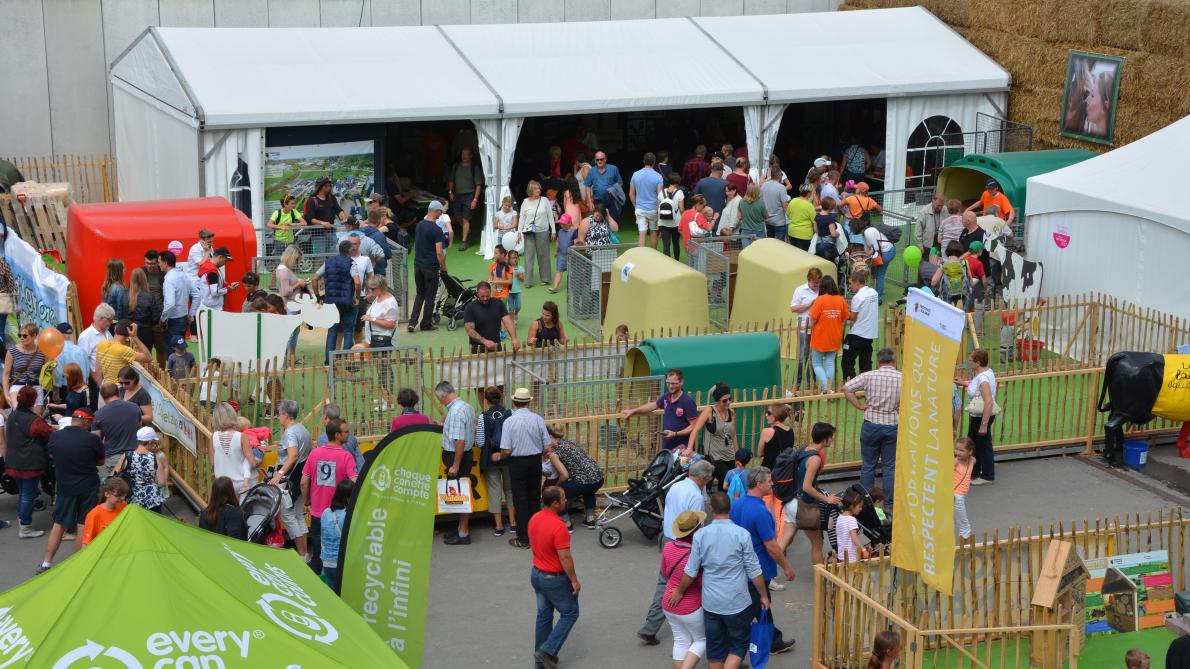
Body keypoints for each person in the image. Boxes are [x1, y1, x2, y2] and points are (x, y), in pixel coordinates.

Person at [669, 492, 766, 669]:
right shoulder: (742, 534)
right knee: (737, 646)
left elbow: (690, 571)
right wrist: (764, 595)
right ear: (729, 508)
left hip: (711, 602)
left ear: (711, 509)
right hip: (737, 601)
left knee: (715, 650)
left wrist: (680, 591)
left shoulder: (700, 536)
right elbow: (754, 570)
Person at [638, 459, 713, 646]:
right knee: (688, 582)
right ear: (703, 478)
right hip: (684, 545)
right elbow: (696, 525)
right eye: (709, 478)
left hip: (669, 540)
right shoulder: (695, 497)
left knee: (665, 582)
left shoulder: (677, 486)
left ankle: (651, 625)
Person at [731, 467, 796, 655]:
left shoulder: (737, 504)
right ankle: (734, 648)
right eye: (769, 481)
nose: (772, 483)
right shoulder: (761, 511)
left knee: (760, 604)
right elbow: (772, 546)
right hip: (758, 568)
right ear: (759, 484)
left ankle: (774, 640)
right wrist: (787, 567)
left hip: (739, 565)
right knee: (755, 606)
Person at [528, 485, 580, 669]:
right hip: (553, 579)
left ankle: (540, 661)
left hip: (536, 574)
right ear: (556, 503)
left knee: (544, 615)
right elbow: (565, 557)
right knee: (571, 612)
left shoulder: (535, 517)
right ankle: (547, 651)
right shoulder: (559, 526)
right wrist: (574, 579)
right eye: (564, 498)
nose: (566, 500)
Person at [843, 347, 902, 513]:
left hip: (871, 423)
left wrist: (859, 405)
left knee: (868, 465)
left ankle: (866, 502)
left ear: (878, 361)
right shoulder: (902, 377)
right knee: (889, 466)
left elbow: (846, 388)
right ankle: (888, 504)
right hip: (892, 424)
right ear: (894, 360)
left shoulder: (868, 375)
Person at [496, 386, 553, 550]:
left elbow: (506, 450)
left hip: (517, 463)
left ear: (514, 402)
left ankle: (523, 538)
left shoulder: (509, 422)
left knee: (520, 500)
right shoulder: (537, 419)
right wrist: (540, 456)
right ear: (528, 402)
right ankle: (537, 536)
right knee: (534, 498)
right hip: (534, 461)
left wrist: (499, 456)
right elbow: (548, 446)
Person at [778, 422, 842, 565]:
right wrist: (827, 499)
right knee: (818, 543)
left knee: (784, 541)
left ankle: (765, 574)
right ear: (825, 439)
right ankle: (820, 581)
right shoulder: (815, 459)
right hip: (803, 506)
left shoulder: (805, 449)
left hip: (790, 502)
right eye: (831, 437)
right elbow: (807, 487)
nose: (832, 440)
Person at [302, 418, 358, 572]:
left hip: (317, 513)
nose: (349, 434)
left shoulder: (315, 453)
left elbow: (304, 482)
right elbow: (354, 483)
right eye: (346, 432)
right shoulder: (346, 457)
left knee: (318, 553)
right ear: (337, 435)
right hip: (337, 515)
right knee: (337, 554)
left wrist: (307, 501)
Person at [661, 509, 707, 669]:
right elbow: (700, 582)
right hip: (690, 607)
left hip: (668, 603)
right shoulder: (695, 553)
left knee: (681, 640)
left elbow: (665, 572)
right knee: (701, 640)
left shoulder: (667, 547)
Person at [436, 381, 478, 545]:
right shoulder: (466, 407)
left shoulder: (454, 413)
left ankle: (463, 532)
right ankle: (462, 528)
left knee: (460, 495)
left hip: (457, 456)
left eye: (440, 399)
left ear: (444, 396)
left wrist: (455, 464)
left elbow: (459, 441)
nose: (440, 402)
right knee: (462, 493)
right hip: (465, 454)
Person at [270, 399, 311, 560]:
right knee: (298, 515)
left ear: (286, 415)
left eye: (279, 414)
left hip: (290, 480)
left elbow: (293, 455)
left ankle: (301, 553)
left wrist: (280, 473)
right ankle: (305, 554)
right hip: (301, 477)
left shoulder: (290, 432)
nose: (278, 418)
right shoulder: (303, 429)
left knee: (288, 515)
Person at [622, 368, 698, 452]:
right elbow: (653, 405)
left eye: (673, 383)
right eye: (668, 383)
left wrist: (675, 434)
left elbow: (694, 426)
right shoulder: (666, 397)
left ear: (681, 382)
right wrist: (633, 411)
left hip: (682, 448)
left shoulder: (687, 402)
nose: (670, 386)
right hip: (667, 446)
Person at [311, 239, 361, 362]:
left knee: (332, 331)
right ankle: (347, 360)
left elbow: (315, 278)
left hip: (330, 301)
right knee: (348, 330)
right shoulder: (351, 263)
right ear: (350, 250)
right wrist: (358, 297)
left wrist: (318, 296)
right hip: (347, 302)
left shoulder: (328, 262)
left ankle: (329, 361)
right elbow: (357, 282)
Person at [477, 386, 514, 536]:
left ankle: (499, 526)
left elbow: (480, 442)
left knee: (494, 491)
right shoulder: (509, 414)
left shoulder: (483, 417)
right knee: (510, 490)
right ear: (502, 398)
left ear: (486, 400)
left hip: (490, 459)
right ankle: (513, 523)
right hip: (508, 457)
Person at [549, 427, 604, 528]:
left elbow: (564, 475)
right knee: (589, 490)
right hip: (599, 478)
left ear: (550, 437)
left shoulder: (554, 453)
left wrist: (556, 486)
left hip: (583, 481)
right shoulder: (569, 442)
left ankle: (566, 524)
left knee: (556, 494)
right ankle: (590, 519)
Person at [686, 382, 736, 490]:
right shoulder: (709, 411)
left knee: (726, 486)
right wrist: (689, 449)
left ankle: (722, 504)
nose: (728, 402)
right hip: (715, 457)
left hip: (730, 455)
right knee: (729, 480)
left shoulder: (731, 412)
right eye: (725, 400)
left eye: (729, 399)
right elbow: (695, 430)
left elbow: (733, 435)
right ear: (717, 401)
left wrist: (737, 453)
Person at [409, 201, 449, 332]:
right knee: (430, 296)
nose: (441, 214)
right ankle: (425, 324)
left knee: (420, 294)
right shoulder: (437, 230)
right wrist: (443, 267)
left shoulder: (419, 225)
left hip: (418, 265)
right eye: (440, 211)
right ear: (435, 211)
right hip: (430, 267)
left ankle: (412, 322)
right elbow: (439, 252)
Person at [960, 348, 998, 486]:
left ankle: (987, 475)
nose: (968, 363)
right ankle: (974, 472)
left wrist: (984, 424)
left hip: (980, 417)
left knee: (983, 445)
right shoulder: (987, 372)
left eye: (970, 360)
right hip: (980, 416)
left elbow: (988, 401)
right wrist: (963, 383)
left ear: (978, 362)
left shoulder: (983, 378)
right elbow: (976, 388)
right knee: (975, 445)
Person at [807, 275, 849, 393]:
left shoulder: (819, 300)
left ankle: (826, 387)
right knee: (830, 363)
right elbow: (845, 317)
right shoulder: (841, 299)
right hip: (834, 337)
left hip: (820, 337)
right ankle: (828, 387)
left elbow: (812, 319)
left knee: (816, 363)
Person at [112, 426, 168, 512]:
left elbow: (113, 475)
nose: (154, 445)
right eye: (153, 443)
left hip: (132, 499)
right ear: (149, 442)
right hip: (152, 500)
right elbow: (162, 482)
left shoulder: (127, 456)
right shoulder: (154, 458)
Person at [93, 382, 140, 478]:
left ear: (102, 396)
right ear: (118, 392)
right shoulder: (135, 408)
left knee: (115, 489)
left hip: (113, 457)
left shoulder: (99, 414)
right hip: (135, 455)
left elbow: (95, 439)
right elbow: (139, 429)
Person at [210, 401, 258, 497]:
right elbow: (252, 463)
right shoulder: (242, 436)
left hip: (223, 483)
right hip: (243, 482)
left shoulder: (213, 437)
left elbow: (212, 462)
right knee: (246, 510)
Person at [519, 180, 557, 289]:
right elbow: (522, 217)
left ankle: (545, 279)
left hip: (543, 231)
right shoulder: (525, 202)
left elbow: (550, 216)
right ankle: (528, 281)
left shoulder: (544, 200)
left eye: (539, 188)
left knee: (543, 255)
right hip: (529, 232)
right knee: (528, 256)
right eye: (536, 189)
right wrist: (518, 232)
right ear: (530, 190)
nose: (538, 190)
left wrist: (553, 231)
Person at [842, 269, 880, 379]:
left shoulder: (857, 297)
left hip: (857, 334)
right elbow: (865, 308)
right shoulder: (874, 293)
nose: (850, 286)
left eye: (850, 283)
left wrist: (843, 312)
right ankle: (865, 386)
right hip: (869, 335)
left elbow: (852, 317)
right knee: (866, 362)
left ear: (857, 282)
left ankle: (853, 385)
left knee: (847, 362)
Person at [463, 282, 519, 354]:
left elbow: (508, 321)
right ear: (477, 293)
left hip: (496, 345)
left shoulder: (498, 304)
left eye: (487, 296)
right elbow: (470, 330)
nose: (485, 298)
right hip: (477, 348)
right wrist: (484, 341)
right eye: (482, 296)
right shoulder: (470, 308)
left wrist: (514, 338)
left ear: (490, 292)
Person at [789, 267, 822, 389]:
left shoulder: (822, 290)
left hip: (818, 329)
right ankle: (796, 384)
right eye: (815, 283)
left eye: (818, 282)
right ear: (809, 280)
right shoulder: (800, 290)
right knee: (803, 357)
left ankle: (811, 383)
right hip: (804, 328)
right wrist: (810, 304)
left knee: (815, 357)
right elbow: (793, 308)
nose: (817, 285)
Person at [446, 147, 484, 251]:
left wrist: (475, 199)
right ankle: (469, 232)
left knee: (465, 218)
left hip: (469, 195)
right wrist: (450, 192)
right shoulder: (456, 166)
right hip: (458, 195)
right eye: (463, 154)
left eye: (466, 154)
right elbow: (451, 180)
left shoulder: (474, 167)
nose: (464, 156)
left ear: (471, 155)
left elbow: (478, 185)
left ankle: (464, 241)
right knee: (458, 218)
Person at [5, 322, 47, 412]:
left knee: (35, 417)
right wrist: (6, 393)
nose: (21, 338)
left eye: (24, 336)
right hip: (18, 385)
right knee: (19, 412)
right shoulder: (12, 351)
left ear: (34, 336)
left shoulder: (42, 352)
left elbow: (47, 372)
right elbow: (6, 374)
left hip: (35, 385)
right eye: (19, 335)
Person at [319, 479, 353, 587]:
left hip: (327, 562)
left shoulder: (326, 512)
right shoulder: (348, 515)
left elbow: (323, 538)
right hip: (342, 563)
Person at [95, 321, 150, 387]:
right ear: (128, 336)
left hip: (105, 387)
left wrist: (102, 388)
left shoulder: (101, 344)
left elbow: (98, 371)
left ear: (115, 329)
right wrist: (135, 337)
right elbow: (148, 358)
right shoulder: (124, 350)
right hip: (119, 389)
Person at [158, 250, 195, 348]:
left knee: (172, 353)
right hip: (183, 318)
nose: (159, 264)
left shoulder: (169, 279)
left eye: (159, 262)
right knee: (180, 351)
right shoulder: (183, 275)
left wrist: (163, 319)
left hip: (173, 321)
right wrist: (191, 314)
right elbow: (197, 295)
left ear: (165, 263)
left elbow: (170, 304)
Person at [629, 152, 665, 249]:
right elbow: (660, 196)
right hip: (653, 209)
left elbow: (631, 194)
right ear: (654, 162)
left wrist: (636, 206)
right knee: (654, 233)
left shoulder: (635, 175)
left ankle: (641, 258)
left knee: (642, 233)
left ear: (644, 161)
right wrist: (658, 209)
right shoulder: (658, 176)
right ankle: (653, 257)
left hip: (640, 209)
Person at [81, 477, 129, 546]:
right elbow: (86, 543)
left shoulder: (123, 505)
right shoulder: (94, 514)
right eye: (118, 495)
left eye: (124, 495)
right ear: (107, 494)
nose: (123, 498)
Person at [126, 267, 161, 349]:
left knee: (130, 358)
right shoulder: (149, 296)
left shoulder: (124, 295)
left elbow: (120, 316)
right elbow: (155, 318)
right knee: (146, 358)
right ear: (144, 279)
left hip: (128, 333)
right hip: (146, 333)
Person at [361, 275, 399, 349]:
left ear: (380, 287)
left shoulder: (389, 303)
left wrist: (372, 319)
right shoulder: (378, 297)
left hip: (383, 340)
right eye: (369, 289)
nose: (370, 291)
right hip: (374, 339)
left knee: (381, 360)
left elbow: (391, 324)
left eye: (372, 289)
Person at [583, 150, 623, 221]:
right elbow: (588, 186)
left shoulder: (613, 169)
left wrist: (613, 190)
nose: (599, 161)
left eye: (601, 159)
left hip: (612, 200)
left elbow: (620, 183)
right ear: (595, 160)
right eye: (597, 160)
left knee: (613, 220)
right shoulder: (592, 171)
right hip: (598, 201)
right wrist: (589, 201)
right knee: (599, 221)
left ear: (605, 159)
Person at [757, 403, 794, 471]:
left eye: (768, 413)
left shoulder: (766, 431)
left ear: (776, 415)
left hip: (769, 471)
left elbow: (759, 454)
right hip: (785, 471)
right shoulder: (790, 431)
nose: (766, 415)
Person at [759, 166, 791, 241]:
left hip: (767, 220)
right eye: (781, 174)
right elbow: (785, 206)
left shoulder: (763, 186)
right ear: (779, 175)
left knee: (770, 243)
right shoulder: (781, 188)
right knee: (780, 245)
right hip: (779, 221)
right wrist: (790, 217)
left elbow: (761, 202)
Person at [657, 174, 686, 255]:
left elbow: (658, 208)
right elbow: (682, 209)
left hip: (663, 222)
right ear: (677, 183)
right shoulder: (679, 192)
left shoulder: (661, 192)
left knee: (666, 245)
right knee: (676, 243)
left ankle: (666, 264)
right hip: (675, 223)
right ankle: (676, 262)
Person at [954, 436, 975, 543]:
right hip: (956, 496)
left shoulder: (972, 461)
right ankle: (967, 547)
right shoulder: (955, 462)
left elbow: (973, 460)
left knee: (959, 521)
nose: (958, 452)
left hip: (960, 496)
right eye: (956, 449)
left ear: (970, 452)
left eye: (961, 450)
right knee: (963, 523)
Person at [835, 488, 865, 563]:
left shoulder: (840, 518)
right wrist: (864, 550)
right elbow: (854, 538)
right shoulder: (852, 520)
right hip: (851, 556)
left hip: (842, 555)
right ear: (852, 506)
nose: (861, 509)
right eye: (859, 506)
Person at [550, 213, 576, 294]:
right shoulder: (560, 231)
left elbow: (575, 243)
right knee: (559, 271)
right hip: (561, 255)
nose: (562, 225)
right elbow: (558, 241)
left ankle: (573, 287)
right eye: (561, 223)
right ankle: (555, 287)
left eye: (564, 224)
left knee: (572, 272)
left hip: (571, 256)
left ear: (570, 223)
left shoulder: (573, 233)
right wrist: (556, 251)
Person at [785, 183, 816, 250]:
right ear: (808, 193)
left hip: (792, 232)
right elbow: (814, 221)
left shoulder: (793, 201)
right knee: (803, 255)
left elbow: (787, 214)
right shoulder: (809, 205)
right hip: (804, 235)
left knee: (794, 253)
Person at [506, 250, 525, 322]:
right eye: (513, 258)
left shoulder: (520, 268)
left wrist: (519, 275)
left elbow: (523, 279)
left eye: (516, 258)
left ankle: (516, 313)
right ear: (509, 259)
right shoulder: (507, 268)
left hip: (517, 291)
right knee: (511, 308)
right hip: (509, 292)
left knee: (518, 306)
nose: (515, 259)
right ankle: (511, 320)